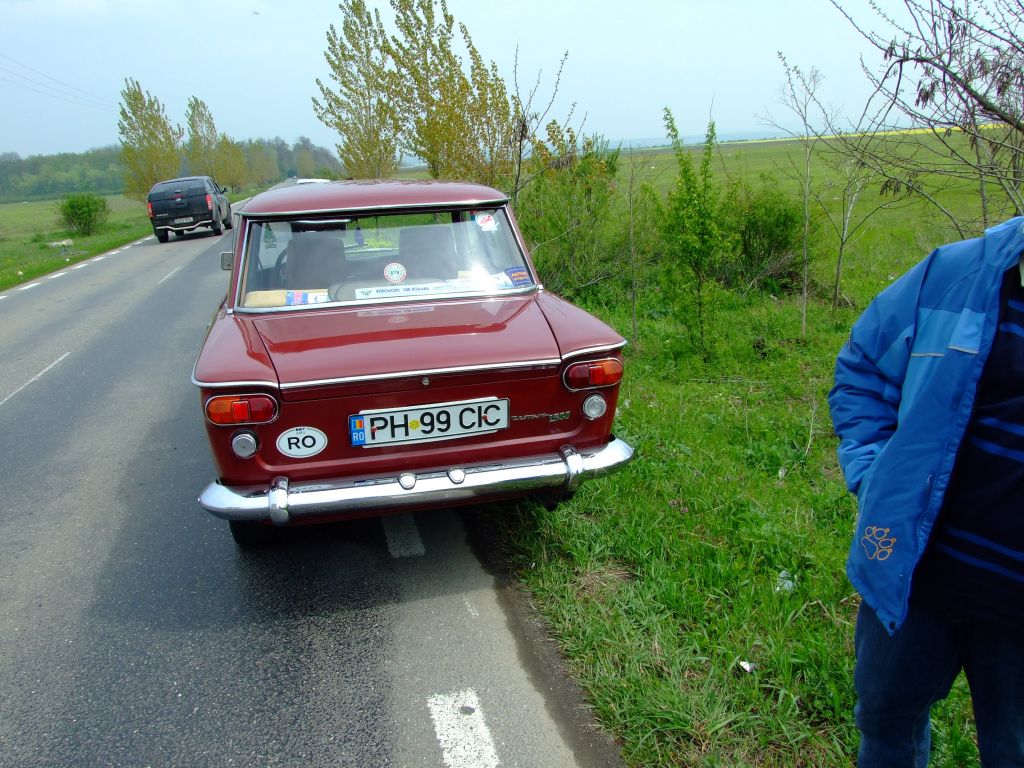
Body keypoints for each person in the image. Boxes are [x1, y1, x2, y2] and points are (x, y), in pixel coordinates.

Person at [828, 216, 1024, 767]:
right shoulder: (955, 273)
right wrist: (875, 479)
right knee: (887, 729)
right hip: (914, 578)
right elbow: (863, 370)